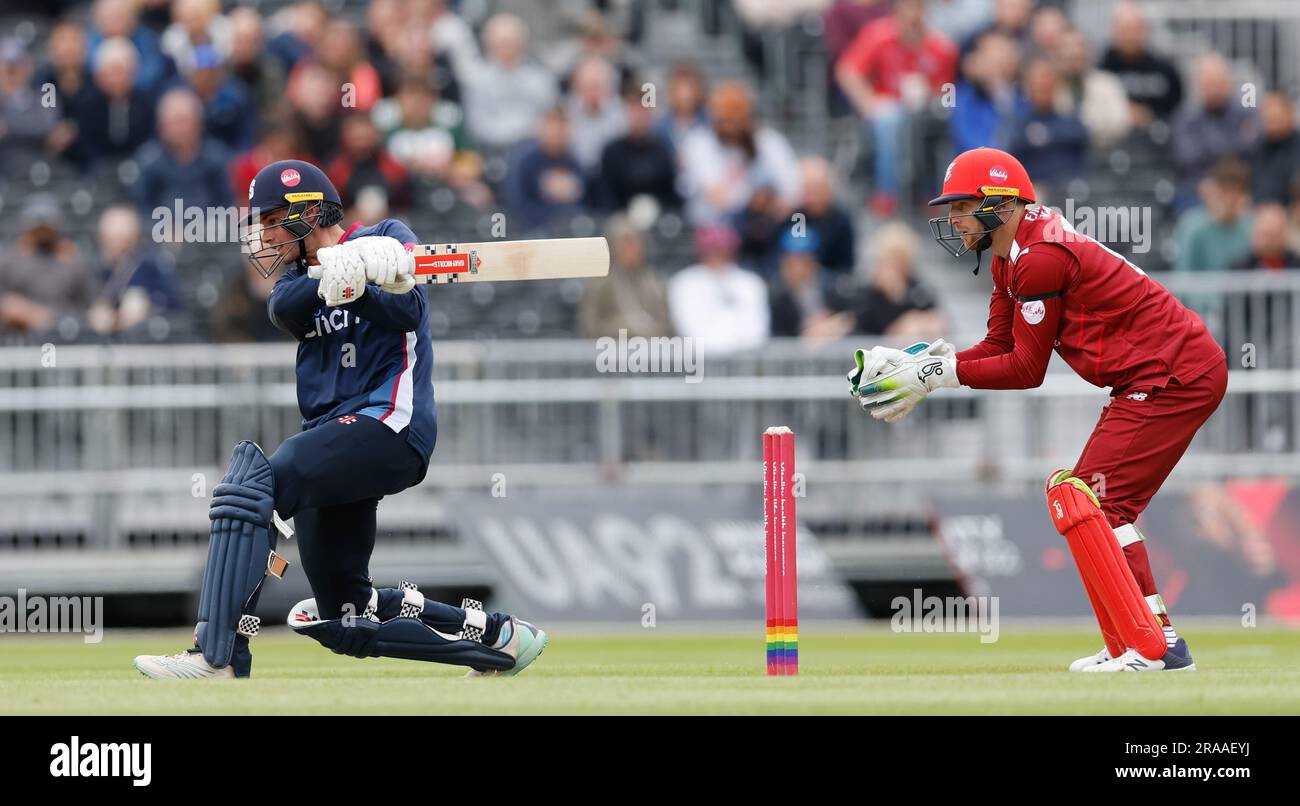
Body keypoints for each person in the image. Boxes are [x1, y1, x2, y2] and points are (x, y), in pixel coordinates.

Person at [133, 160, 547, 679]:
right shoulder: (290, 282)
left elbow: (409, 313)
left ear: (308, 213)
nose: (264, 235)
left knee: (258, 480)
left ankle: (216, 653)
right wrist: (341, 270)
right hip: (335, 437)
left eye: (271, 220)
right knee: (344, 616)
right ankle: (497, 640)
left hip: (392, 422)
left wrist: (379, 276)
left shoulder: (389, 236)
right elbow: (287, 308)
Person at [851, 147, 1226, 673]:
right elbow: (997, 345)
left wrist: (937, 376)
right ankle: (1137, 641)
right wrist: (931, 361)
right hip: (1155, 374)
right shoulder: (1011, 256)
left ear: (1002, 204)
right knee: (1090, 501)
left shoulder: (1039, 255)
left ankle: (1155, 647)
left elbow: (1026, 369)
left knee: (1097, 502)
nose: (953, 219)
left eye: (962, 207)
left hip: (1174, 372)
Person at [667, 224, 768, 355]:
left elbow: (757, 331)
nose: (717, 255)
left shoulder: (751, 282)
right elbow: (688, 330)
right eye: (711, 249)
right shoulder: (683, 282)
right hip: (698, 363)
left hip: (745, 362)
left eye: (722, 249)